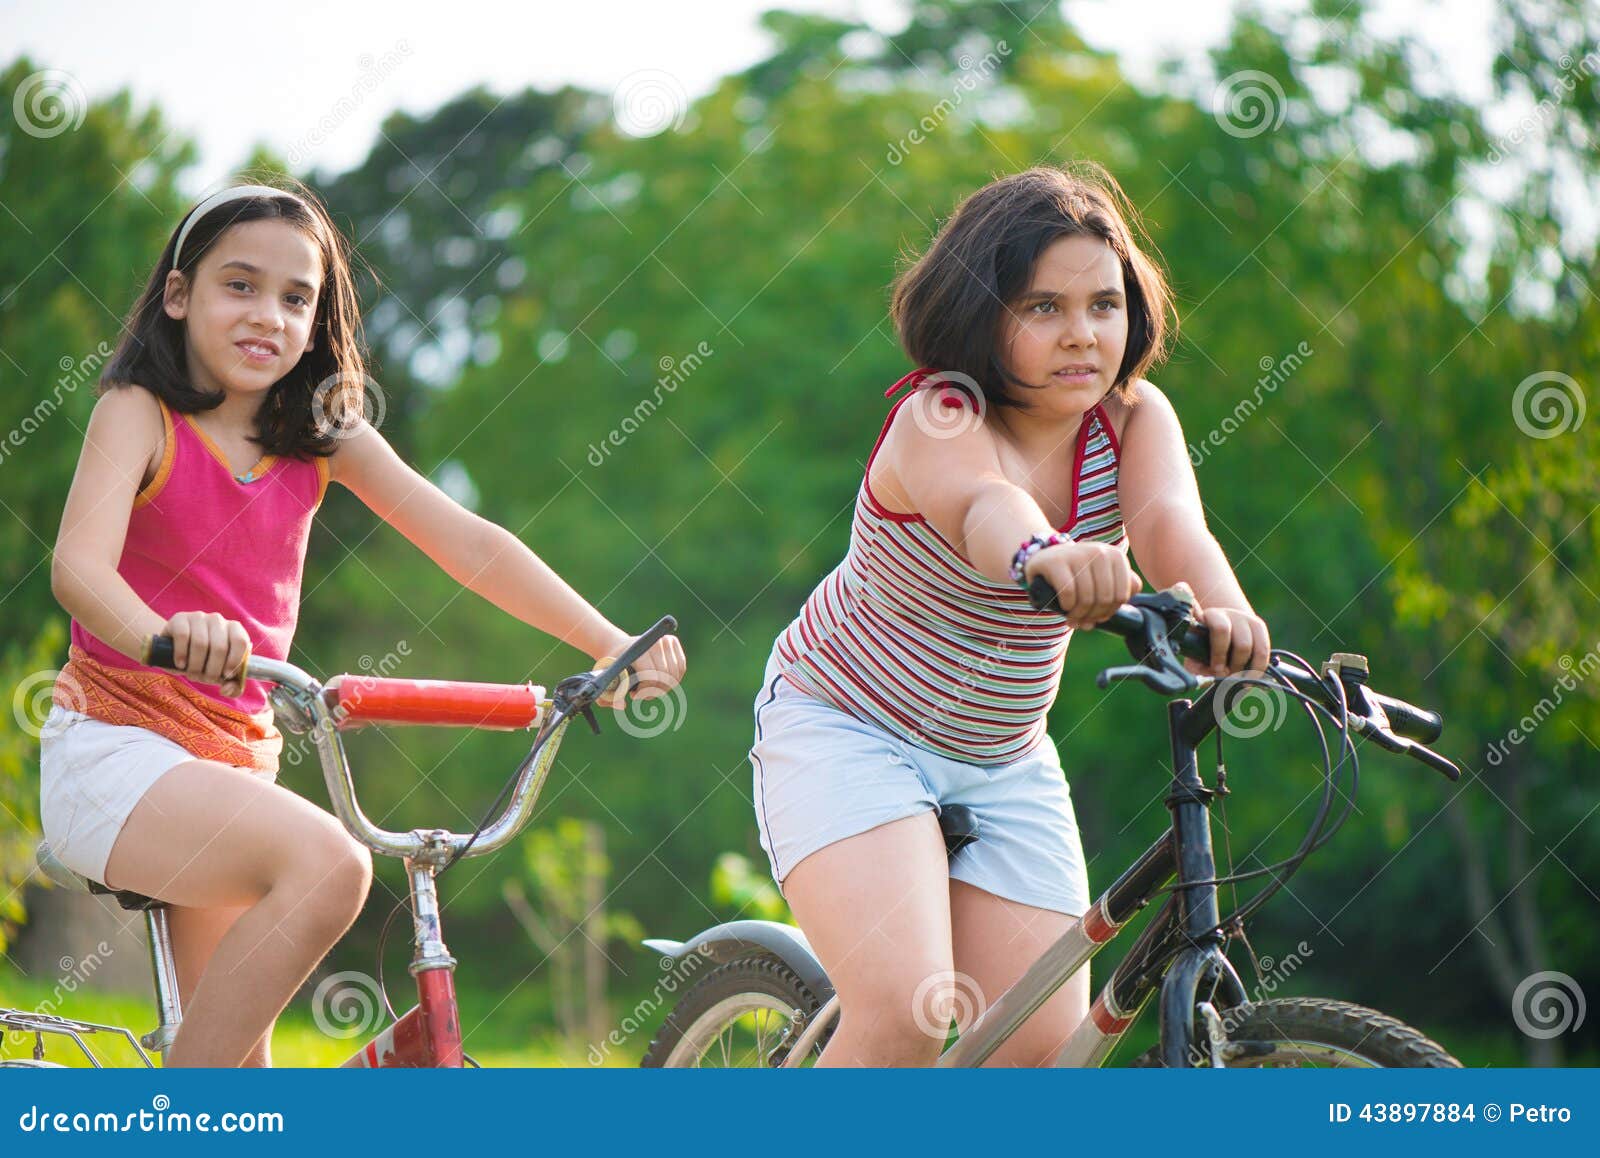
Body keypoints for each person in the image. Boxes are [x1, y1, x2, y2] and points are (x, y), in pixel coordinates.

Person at [41, 179, 685, 1066]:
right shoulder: (137, 414)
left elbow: (469, 544)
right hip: (113, 751)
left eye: (295, 298)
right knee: (332, 866)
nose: (267, 314)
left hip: (233, 765)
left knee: (243, 1087)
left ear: (318, 321)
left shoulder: (321, 434)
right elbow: (78, 569)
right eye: (240, 285)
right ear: (179, 295)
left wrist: (606, 643)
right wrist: (162, 630)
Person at [750, 163, 1270, 1066]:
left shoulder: (1133, 419)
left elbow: (1174, 532)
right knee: (909, 1016)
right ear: (982, 314)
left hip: (1002, 757)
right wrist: (1044, 556)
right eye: (1044, 308)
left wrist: (1232, 618)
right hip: (845, 727)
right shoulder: (940, 415)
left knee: (1037, 1058)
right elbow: (988, 508)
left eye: (1105, 306)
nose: (1083, 336)